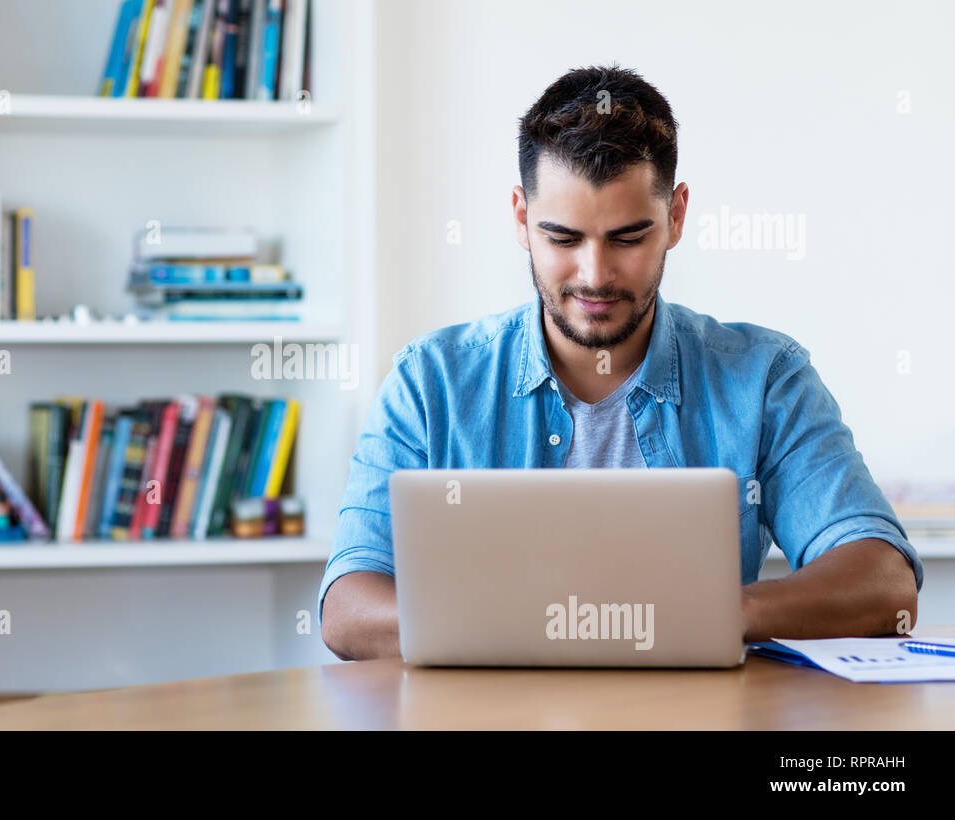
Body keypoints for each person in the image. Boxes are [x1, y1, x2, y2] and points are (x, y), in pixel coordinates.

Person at [319, 65, 922, 662]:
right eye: (563, 238)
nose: (595, 275)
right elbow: (346, 610)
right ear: (521, 218)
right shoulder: (430, 382)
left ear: (676, 217)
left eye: (628, 239)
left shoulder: (765, 378)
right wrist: (537, 625)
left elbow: (883, 583)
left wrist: (713, 613)